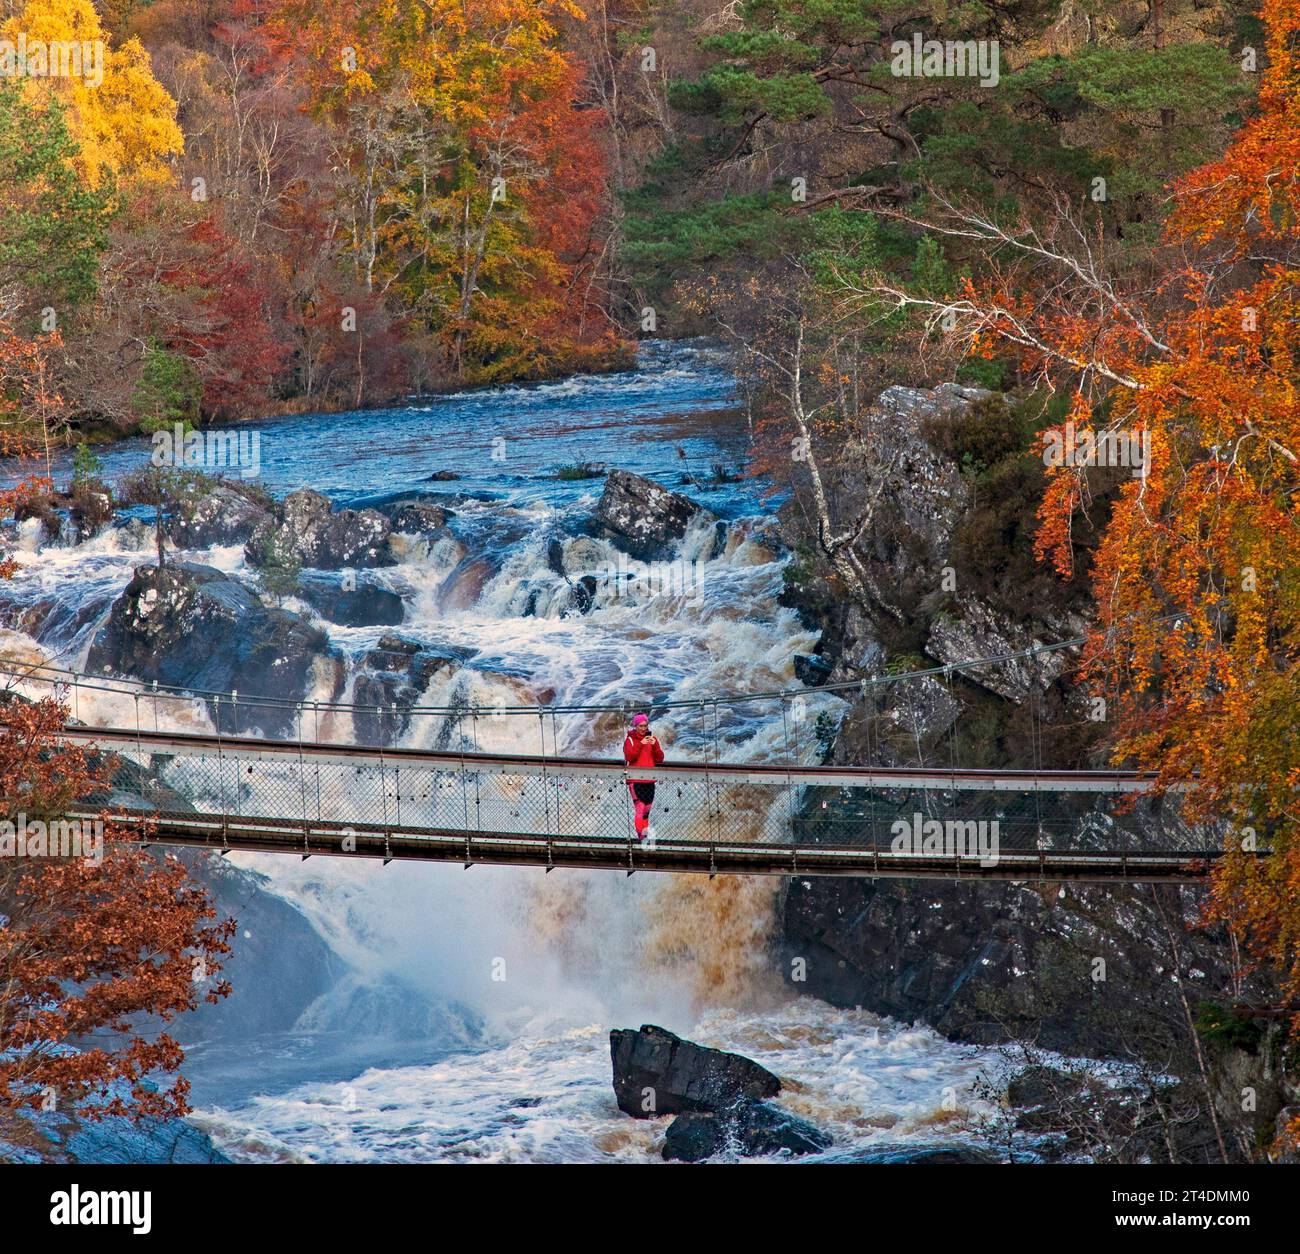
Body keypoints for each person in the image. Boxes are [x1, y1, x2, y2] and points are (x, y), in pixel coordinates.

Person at [622, 713, 664, 839]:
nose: (643, 728)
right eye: (640, 726)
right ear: (635, 726)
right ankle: (641, 837)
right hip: (635, 780)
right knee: (640, 808)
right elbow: (630, 757)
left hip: (649, 779)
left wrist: (655, 745)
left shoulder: (652, 739)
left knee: (647, 810)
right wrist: (641, 743)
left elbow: (660, 759)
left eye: (645, 726)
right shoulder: (630, 740)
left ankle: (645, 836)